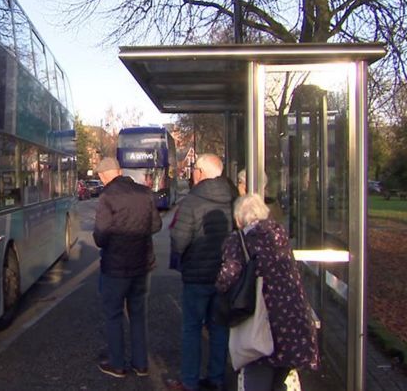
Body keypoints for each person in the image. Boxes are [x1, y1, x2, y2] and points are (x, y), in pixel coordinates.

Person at [216, 194, 319, 390]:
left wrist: (219, 288)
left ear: (238, 218)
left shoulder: (238, 240)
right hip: (292, 324)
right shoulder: (279, 234)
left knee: (256, 377)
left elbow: (228, 276)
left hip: (262, 323)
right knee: (278, 381)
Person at [167, 153, 234, 391]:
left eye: (195, 169)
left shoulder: (192, 201)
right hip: (225, 275)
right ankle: (216, 378)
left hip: (197, 275)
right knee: (219, 328)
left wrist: (181, 257)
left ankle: (189, 381)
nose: (193, 172)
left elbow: (179, 239)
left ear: (201, 173)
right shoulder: (232, 198)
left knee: (192, 328)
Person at [92, 157, 162, 378]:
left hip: (116, 267)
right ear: (119, 171)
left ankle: (117, 364)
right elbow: (156, 225)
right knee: (138, 314)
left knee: (114, 314)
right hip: (142, 263)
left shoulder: (107, 196)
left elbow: (100, 237)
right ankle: (141, 364)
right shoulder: (144, 193)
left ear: (104, 176)